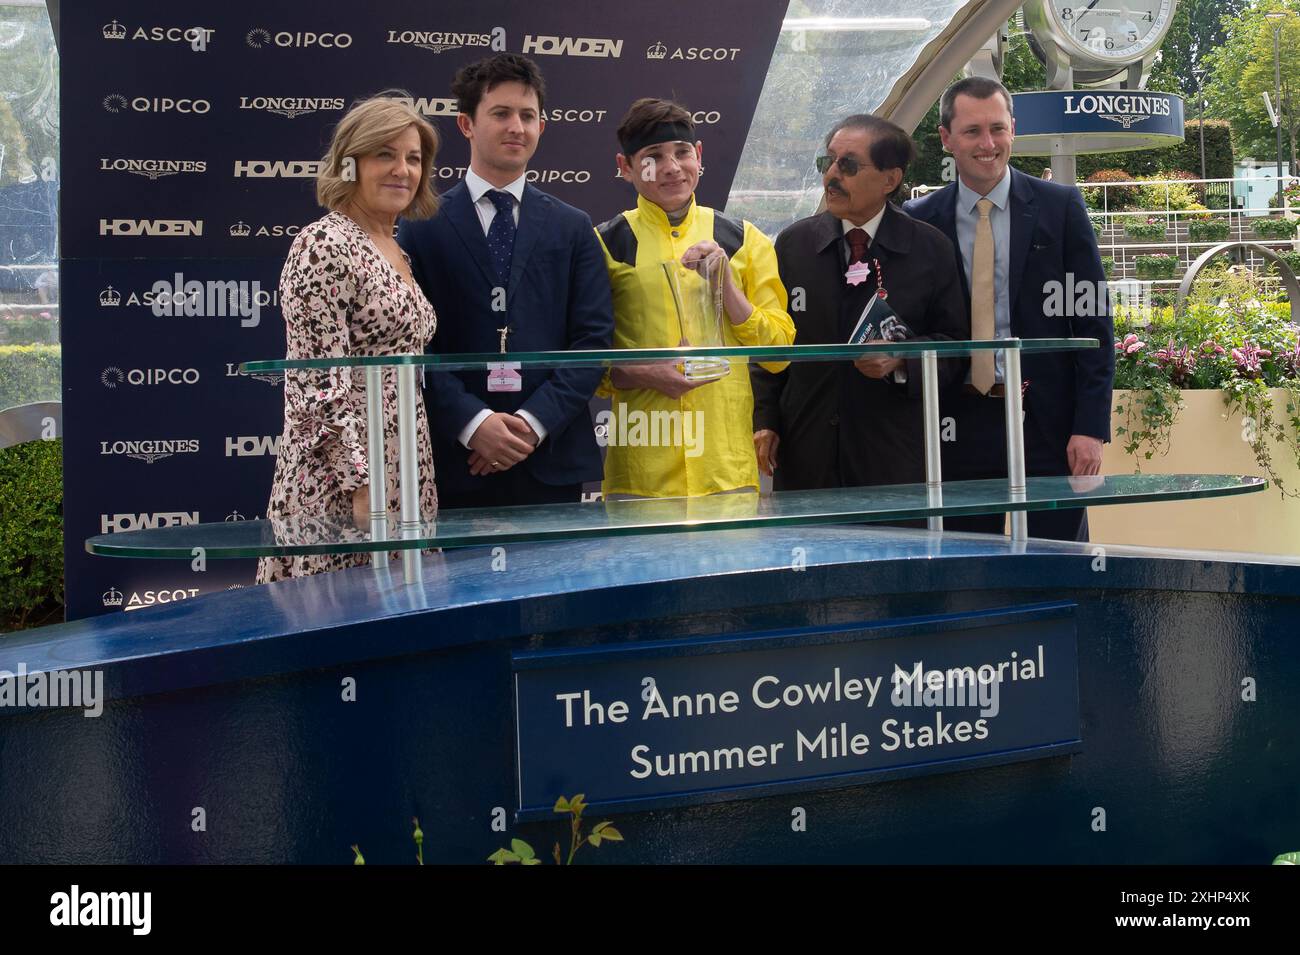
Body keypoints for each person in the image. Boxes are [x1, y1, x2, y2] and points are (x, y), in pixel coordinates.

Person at [399, 54, 613, 509]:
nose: (517, 127)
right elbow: (413, 346)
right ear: (466, 124)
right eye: (501, 113)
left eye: (528, 116)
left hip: (550, 458)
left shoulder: (573, 227)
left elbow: (593, 341)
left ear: (541, 127)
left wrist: (531, 424)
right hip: (457, 461)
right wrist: (475, 424)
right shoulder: (420, 226)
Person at [904, 77, 1114, 541]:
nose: (988, 144)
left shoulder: (1060, 207)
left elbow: (1095, 325)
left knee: (1056, 563)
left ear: (1013, 130)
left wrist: (1090, 427)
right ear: (946, 138)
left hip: (1047, 426)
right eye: (972, 131)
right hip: (953, 427)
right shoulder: (919, 220)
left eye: (997, 128)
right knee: (963, 563)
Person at [257, 94, 440, 583]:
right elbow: (314, 384)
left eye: (414, 158)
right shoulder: (324, 244)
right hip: (340, 482)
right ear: (349, 163)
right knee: (338, 613)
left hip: (404, 464)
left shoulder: (394, 247)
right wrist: (360, 483)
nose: (403, 170)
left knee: (402, 606)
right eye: (385, 154)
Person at [751, 114, 967, 493]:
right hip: (806, 456)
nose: (832, 175)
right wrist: (764, 419)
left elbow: (957, 347)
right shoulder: (793, 244)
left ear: (890, 179)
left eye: (848, 165)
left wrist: (901, 358)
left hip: (891, 459)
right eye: (828, 162)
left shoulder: (930, 249)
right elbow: (770, 343)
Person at [596, 98, 794, 498]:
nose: (671, 167)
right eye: (653, 156)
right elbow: (583, 360)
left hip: (726, 469)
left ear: (699, 155)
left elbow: (778, 353)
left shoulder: (744, 239)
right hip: (642, 471)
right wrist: (643, 373)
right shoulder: (604, 243)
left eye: (682, 152)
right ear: (625, 167)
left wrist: (727, 288)